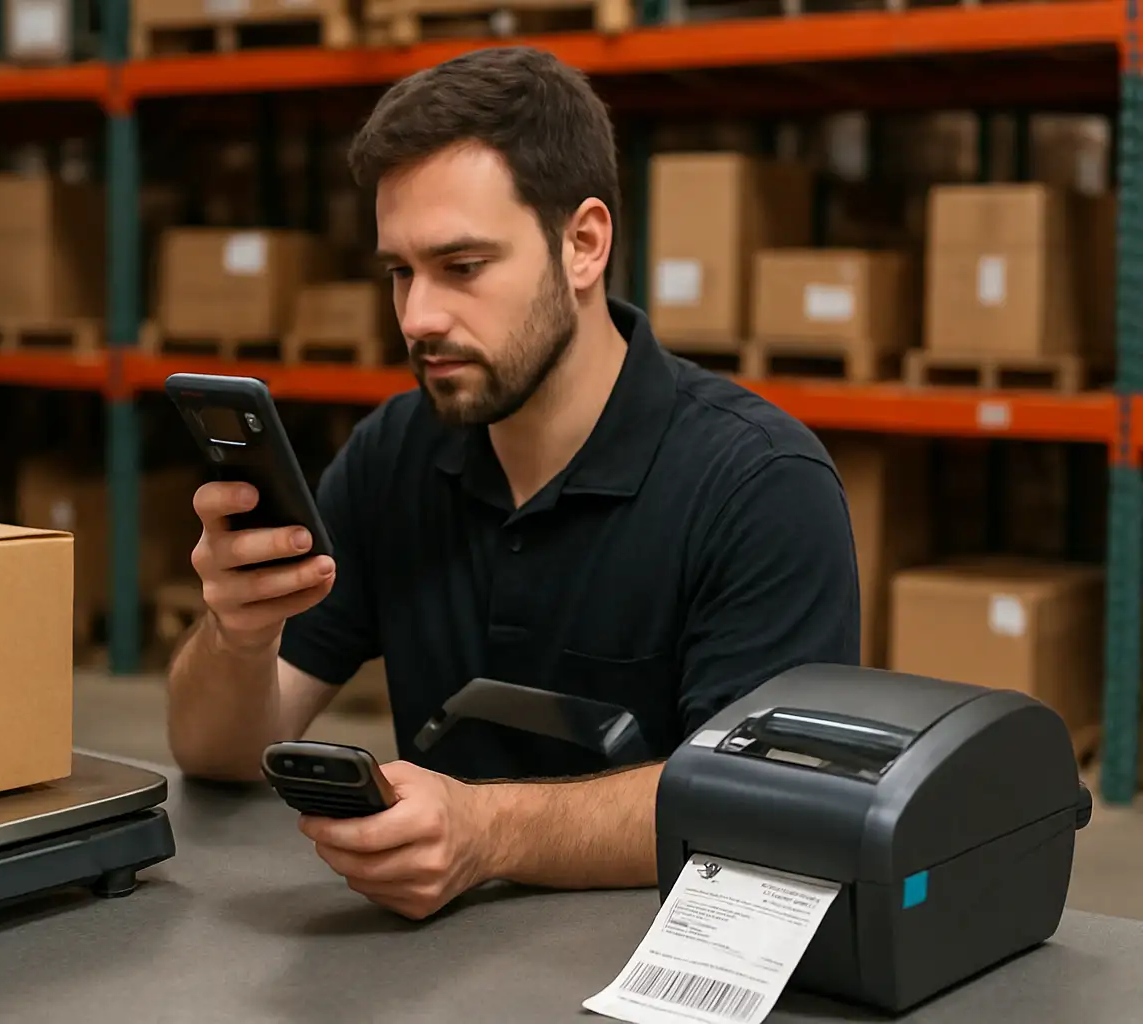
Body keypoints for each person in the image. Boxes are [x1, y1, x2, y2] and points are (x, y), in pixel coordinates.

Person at [165, 45, 860, 922]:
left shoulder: (759, 486)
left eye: (462, 267)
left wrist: (489, 831)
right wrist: (237, 635)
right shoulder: (392, 455)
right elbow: (216, 756)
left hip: (657, 965)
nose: (418, 317)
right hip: (430, 969)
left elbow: (763, 803)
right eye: (399, 273)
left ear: (583, 245)